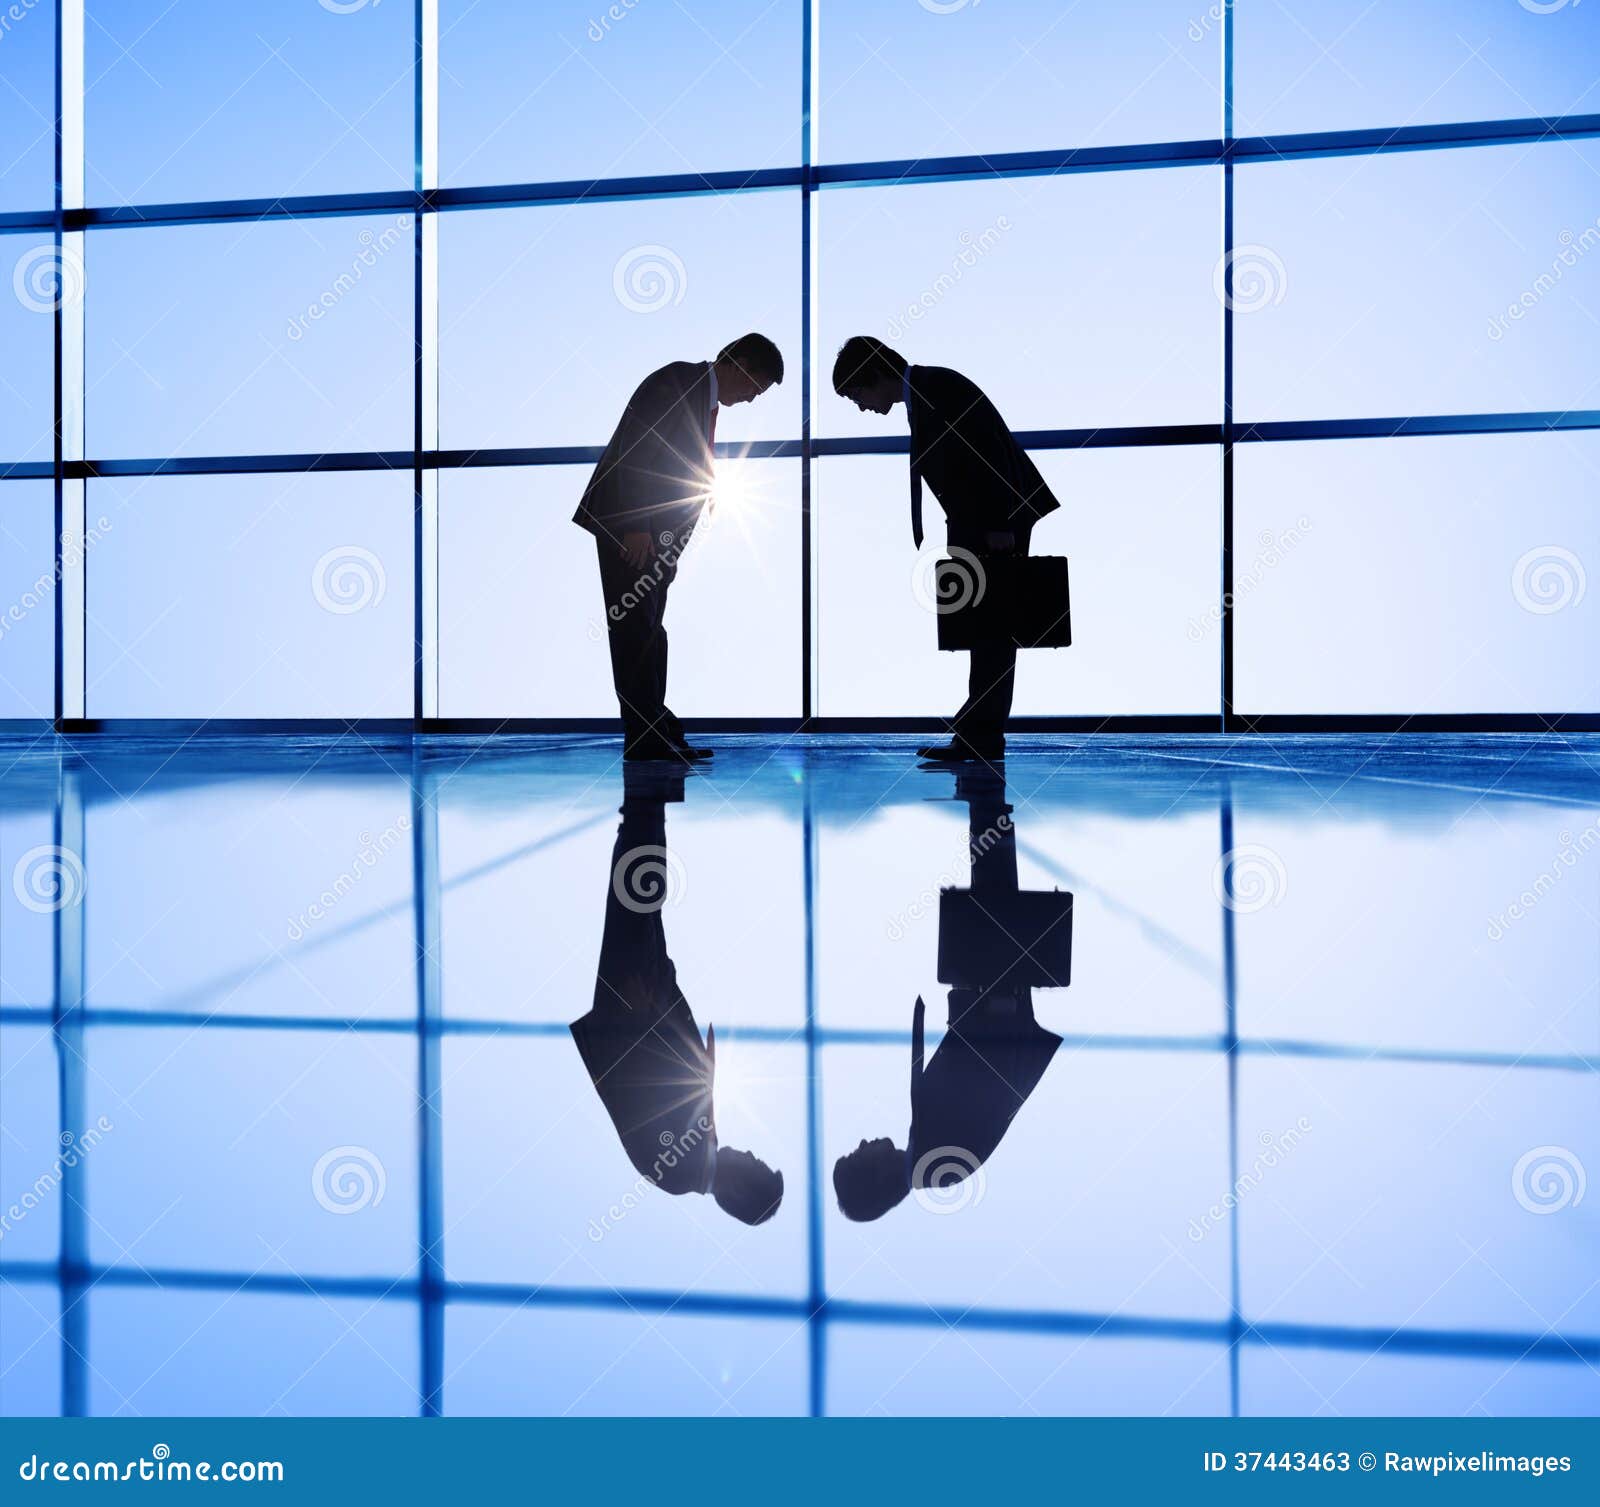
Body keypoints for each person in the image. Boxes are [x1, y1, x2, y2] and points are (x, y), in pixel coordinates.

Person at [833, 770, 1064, 1221]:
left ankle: (988, 803)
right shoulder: (935, 1163)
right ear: (876, 1179)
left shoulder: (933, 1161)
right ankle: (986, 792)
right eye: (860, 1157)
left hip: (993, 999)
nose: (862, 1144)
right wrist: (989, 1002)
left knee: (993, 880)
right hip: (994, 995)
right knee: (994, 883)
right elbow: (987, 1078)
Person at [570, 764, 784, 1226]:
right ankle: (648, 794)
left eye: (756, 1164)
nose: (748, 1152)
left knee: (634, 898)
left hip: (635, 1003)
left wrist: (633, 1014)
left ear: (741, 1187)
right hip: (648, 996)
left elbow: (635, 1096)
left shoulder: (676, 1170)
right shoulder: (691, 1158)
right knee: (641, 897)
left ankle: (645, 782)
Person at [831, 336, 1060, 764]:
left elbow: (985, 455)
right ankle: (977, 732)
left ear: (875, 375)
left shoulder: (936, 390)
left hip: (995, 521)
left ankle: (980, 735)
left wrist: (998, 526)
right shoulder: (928, 391)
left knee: (992, 630)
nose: (860, 407)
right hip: (982, 521)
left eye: (856, 395)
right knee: (984, 628)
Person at [575, 334, 785, 762]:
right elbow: (637, 450)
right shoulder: (678, 383)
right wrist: (635, 526)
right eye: (753, 387)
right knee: (635, 629)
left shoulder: (698, 395)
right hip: (631, 529)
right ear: (738, 363)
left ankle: (656, 727)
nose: (749, 399)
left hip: (658, 536)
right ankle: (645, 736)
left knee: (650, 628)